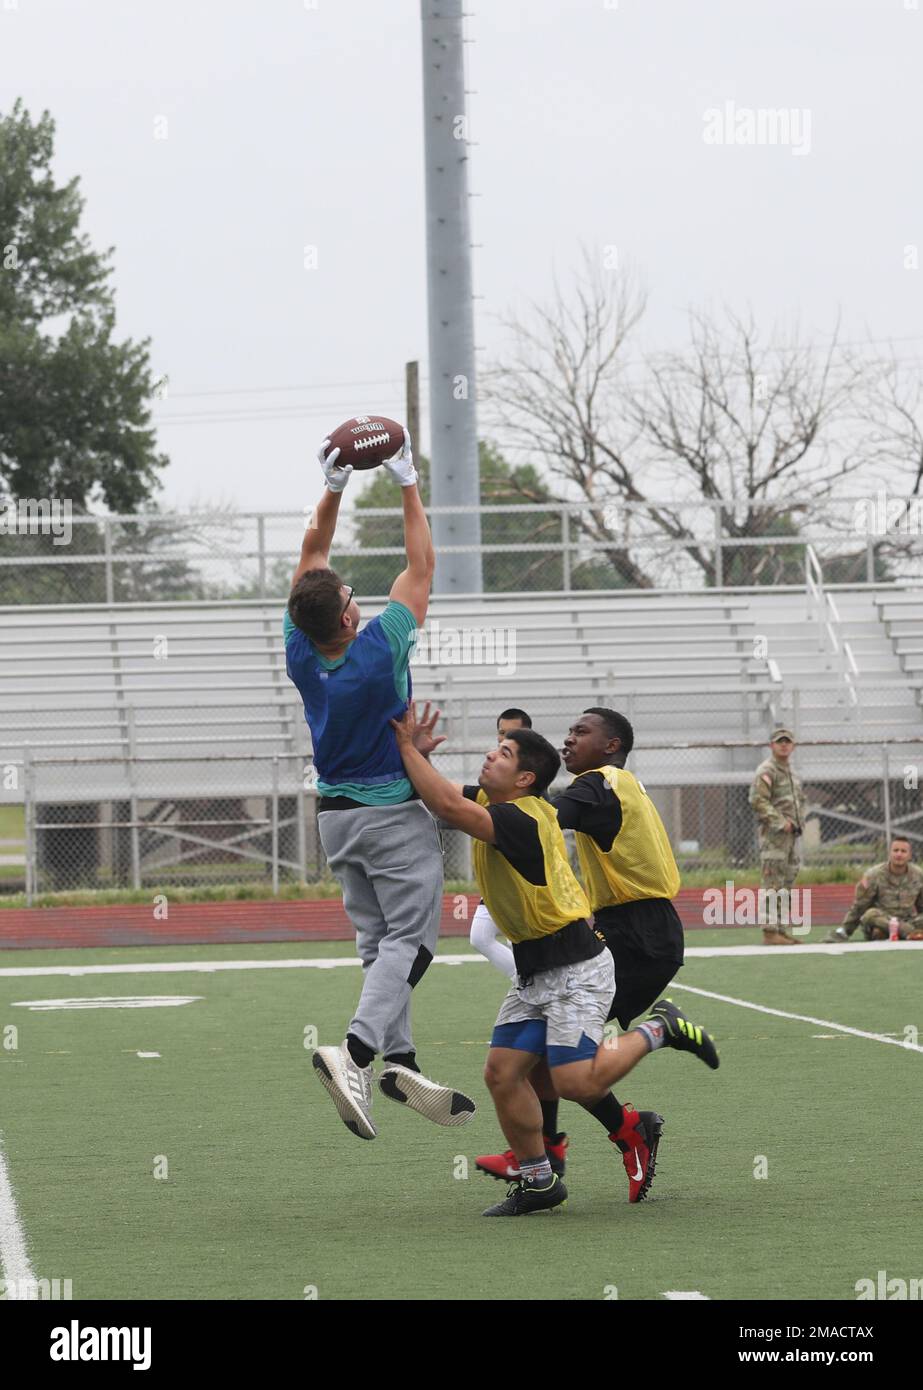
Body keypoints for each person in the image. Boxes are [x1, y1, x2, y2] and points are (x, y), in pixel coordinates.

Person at [391, 702, 718, 1217]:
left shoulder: (528, 814)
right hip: (539, 966)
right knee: (503, 1073)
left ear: (524, 778)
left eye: (504, 751)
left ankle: (660, 1031)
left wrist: (408, 747)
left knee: (572, 1079)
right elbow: (448, 799)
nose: (490, 755)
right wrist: (420, 760)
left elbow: (453, 810)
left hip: (577, 966)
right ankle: (541, 1178)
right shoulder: (511, 806)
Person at [285, 432, 474, 1141]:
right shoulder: (378, 646)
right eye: (348, 596)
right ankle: (356, 1054)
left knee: (377, 948)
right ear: (345, 617)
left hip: (333, 817)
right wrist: (405, 481)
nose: (355, 596)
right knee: (414, 944)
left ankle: (401, 1061)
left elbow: (311, 558)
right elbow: (421, 565)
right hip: (391, 813)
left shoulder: (300, 650)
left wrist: (333, 484)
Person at [476, 708, 685, 1202]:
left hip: (641, 934)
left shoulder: (598, 784)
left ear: (610, 745)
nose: (568, 740)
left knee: (563, 1062)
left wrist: (478, 801)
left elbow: (538, 818)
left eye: (581, 733)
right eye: (568, 733)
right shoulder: (610, 784)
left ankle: (623, 1127)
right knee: (546, 1055)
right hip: (625, 924)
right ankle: (552, 1152)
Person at [468, 710, 534, 982]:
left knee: (512, 938)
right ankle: (524, 981)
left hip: (521, 880)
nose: (503, 739)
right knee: (481, 936)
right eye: (501, 733)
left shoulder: (532, 782)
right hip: (498, 881)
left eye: (512, 734)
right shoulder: (493, 776)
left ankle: (528, 982)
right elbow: (453, 797)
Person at [748, 728, 807, 945]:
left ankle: (781, 929)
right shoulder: (767, 770)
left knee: (787, 881)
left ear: (793, 745)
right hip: (774, 836)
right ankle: (770, 930)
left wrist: (800, 822)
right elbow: (757, 800)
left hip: (792, 837)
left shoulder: (791, 772)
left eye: (788, 742)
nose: (784, 745)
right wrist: (781, 823)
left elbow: (801, 800)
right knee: (772, 882)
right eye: (779, 742)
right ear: (772, 745)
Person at [824, 837, 923, 942]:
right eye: (895, 850)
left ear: (910, 855)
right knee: (870, 915)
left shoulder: (919, 875)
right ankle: (910, 933)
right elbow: (859, 906)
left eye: (903, 851)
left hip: (909, 920)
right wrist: (845, 931)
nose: (899, 854)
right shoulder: (873, 875)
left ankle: (900, 933)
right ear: (889, 853)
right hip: (882, 920)